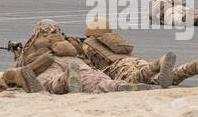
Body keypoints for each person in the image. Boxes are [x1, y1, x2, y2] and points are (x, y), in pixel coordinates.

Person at [15, 19, 152, 94]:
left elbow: (21, 67)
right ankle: (117, 86)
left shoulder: (33, 43)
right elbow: (85, 58)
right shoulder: (67, 42)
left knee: (50, 82)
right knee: (93, 78)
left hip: (50, 65)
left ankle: (66, 78)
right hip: (76, 62)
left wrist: (18, 54)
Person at [75, 17, 198, 87]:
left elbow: (84, 63)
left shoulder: (89, 45)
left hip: (118, 66)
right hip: (135, 60)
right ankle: (195, 66)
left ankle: (159, 62)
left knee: (134, 80)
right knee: (159, 78)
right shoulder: (114, 40)